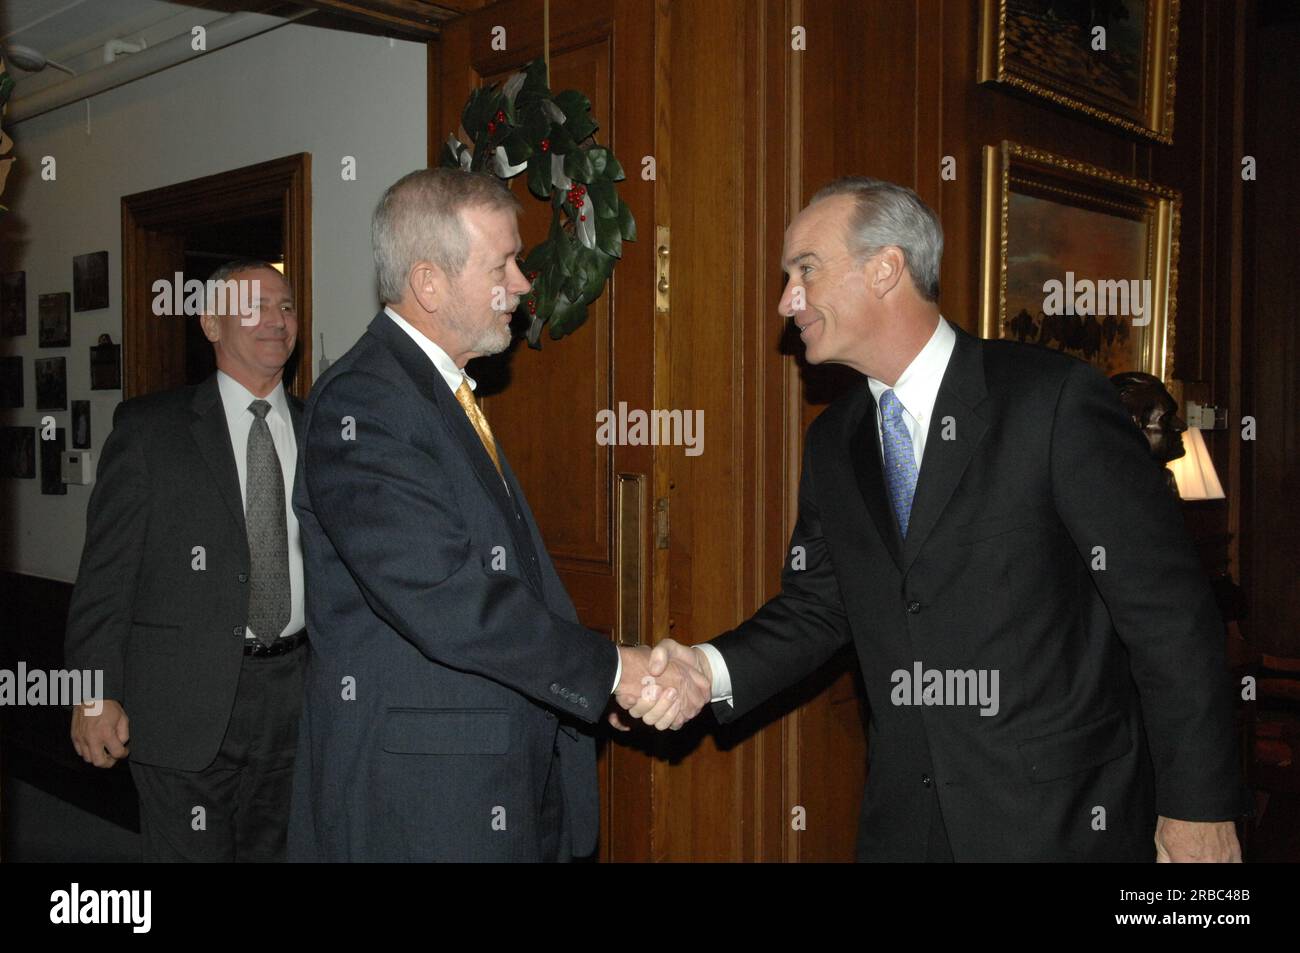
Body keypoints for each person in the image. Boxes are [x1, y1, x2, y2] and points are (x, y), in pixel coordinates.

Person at [629, 177, 1247, 862]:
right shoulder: (835, 441)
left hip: (1062, 823)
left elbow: (1169, 617)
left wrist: (1198, 811)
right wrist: (705, 670)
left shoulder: (1052, 402)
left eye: (805, 270)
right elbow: (819, 607)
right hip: (907, 825)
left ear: (886, 267)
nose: (786, 300)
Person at [287, 168, 707, 862]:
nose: (522, 282)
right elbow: (448, 596)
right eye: (502, 264)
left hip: (491, 772)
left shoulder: (435, 391)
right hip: (426, 801)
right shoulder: (363, 402)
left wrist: (580, 682)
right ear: (429, 283)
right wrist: (612, 670)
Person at [66, 260, 308, 861]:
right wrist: (94, 692)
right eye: (255, 307)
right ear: (209, 322)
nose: (276, 321)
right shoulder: (151, 431)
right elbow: (106, 576)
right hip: (181, 704)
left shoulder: (324, 429)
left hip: (298, 700)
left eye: (286, 306)